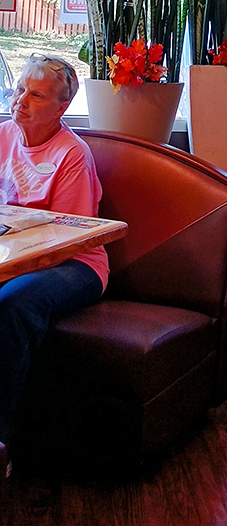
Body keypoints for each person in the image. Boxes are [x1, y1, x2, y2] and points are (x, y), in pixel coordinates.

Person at [0, 55, 106, 483]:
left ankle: (4, 440)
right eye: (21, 88)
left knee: (11, 303)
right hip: (15, 257)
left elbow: (71, 237)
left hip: (75, 264)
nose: (21, 100)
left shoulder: (72, 156)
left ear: (61, 108)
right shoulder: (4, 135)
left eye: (36, 94)